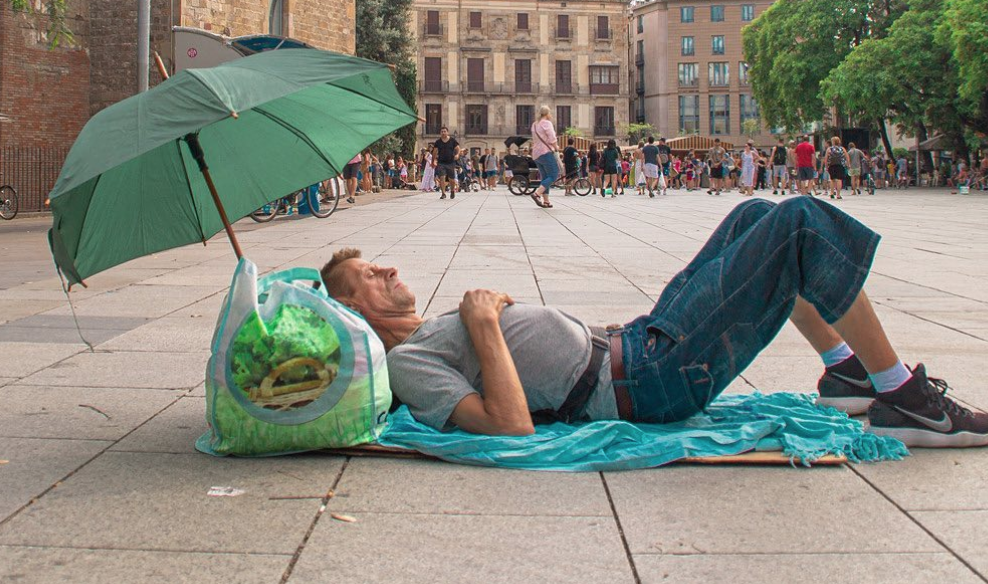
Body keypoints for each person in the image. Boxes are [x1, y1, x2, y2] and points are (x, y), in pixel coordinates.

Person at [320, 198, 988, 447]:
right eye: (370, 276)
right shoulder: (407, 364)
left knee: (754, 216)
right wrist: (484, 322)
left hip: (638, 343)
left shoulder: (426, 335)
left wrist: (487, 319)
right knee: (800, 223)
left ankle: (846, 372)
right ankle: (903, 396)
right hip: (650, 381)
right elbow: (509, 427)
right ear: (354, 311)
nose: (387, 269)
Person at [529, 107, 559, 208]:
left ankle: (546, 201)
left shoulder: (535, 124)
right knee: (554, 174)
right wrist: (556, 147)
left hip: (536, 154)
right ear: (547, 113)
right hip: (545, 152)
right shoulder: (546, 123)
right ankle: (537, 194)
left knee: (545, 177)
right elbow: (552, 137)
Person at [433, 127, 460, 200]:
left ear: (447, 132)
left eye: (444, 131)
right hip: (441, 162)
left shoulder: (452, 141)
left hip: (450, 162)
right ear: (440, 133)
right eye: (442, 131)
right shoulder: (438, 142)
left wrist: (457, 155)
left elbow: (458, 148)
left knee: (452, 179)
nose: (443, 133)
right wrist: (433, 161)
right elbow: (434, 152)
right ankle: (443, 193)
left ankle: (452, 190)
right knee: (442, 177)